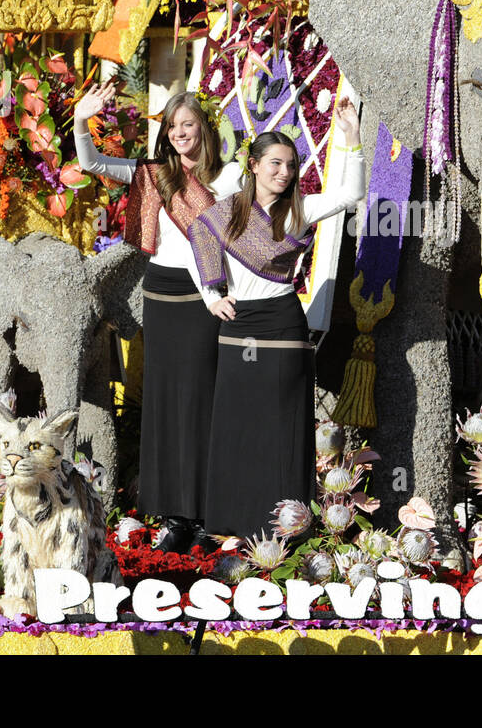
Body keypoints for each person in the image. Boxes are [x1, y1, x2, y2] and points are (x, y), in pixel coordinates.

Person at [73, 85, 243, 553]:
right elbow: (92, 164)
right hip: (162, 295)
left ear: (204, 128)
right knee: (166, 404)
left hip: (207, 299)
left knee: (203, 401)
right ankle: (174, 516)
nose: (180, 132)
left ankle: (211, 513)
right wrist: (81, 120)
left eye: (188, 124)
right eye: (173, 126)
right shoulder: (153, 174)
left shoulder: (229, 177)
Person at [189, 104, 364, 540]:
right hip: (236, 326)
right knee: (236, 425)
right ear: (253, 165)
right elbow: (198, 233)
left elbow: (350, 195)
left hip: (284, 327)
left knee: (283, 427)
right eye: (275, 164)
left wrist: (352, 137)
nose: (284, 173)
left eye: (291, 165)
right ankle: (231, 524)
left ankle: (288, 527)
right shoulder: (226, 211)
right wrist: (211, 297)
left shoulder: (300, 210)